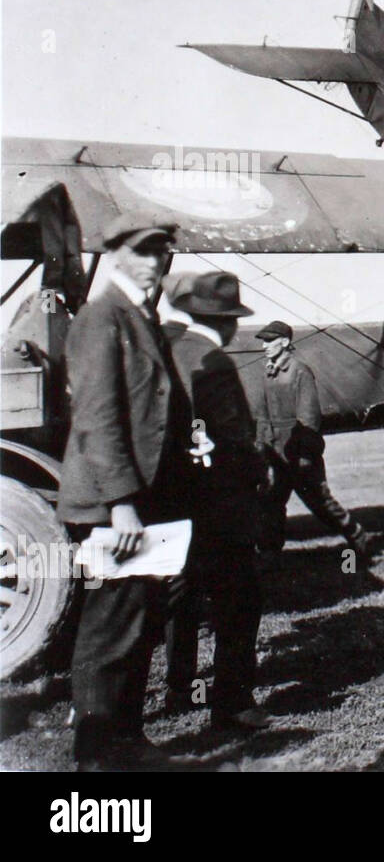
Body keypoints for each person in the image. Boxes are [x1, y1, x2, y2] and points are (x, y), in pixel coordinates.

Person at [58, 211, 192, 770]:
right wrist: (121, 505)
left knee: (140, 621)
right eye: (145, 250)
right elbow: (96, 418)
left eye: (163, 249)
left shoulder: (139, 316)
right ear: (114, 254)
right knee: (110, 627)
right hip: (117, 503)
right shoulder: (100, 318)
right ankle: (95, 757)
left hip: (146, 497)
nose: (157, 260)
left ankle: (128, 740)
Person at [160, 272, 270, 732]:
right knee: (237, 601)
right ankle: (233, 702)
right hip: (222, 504)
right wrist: (256, 477)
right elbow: (235, 438)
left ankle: (178, 688)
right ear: (227, 322)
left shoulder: (168, 351)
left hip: (174, 499)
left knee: (178, 598)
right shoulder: (215, 361)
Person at [251, 320, 373, 559]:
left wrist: (306, 454)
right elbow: (262, 414)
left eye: (270, 341)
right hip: (276, 451)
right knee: (271, 502)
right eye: (263, 341)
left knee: (319, 501)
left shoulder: (299, 371)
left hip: (297, 449)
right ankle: (269, 552)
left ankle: (357, 535)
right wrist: (261, 445)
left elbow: (308, 416)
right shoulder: (268, 371)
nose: (264, 346)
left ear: (285, 343)